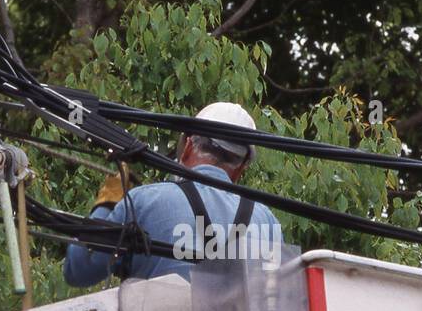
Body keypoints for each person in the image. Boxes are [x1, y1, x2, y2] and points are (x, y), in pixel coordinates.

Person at [64, 102, 283, 286]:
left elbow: (78, 269)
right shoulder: (268, 223)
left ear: (187, 146)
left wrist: (108, 202)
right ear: (241, 168)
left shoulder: (144, 202)